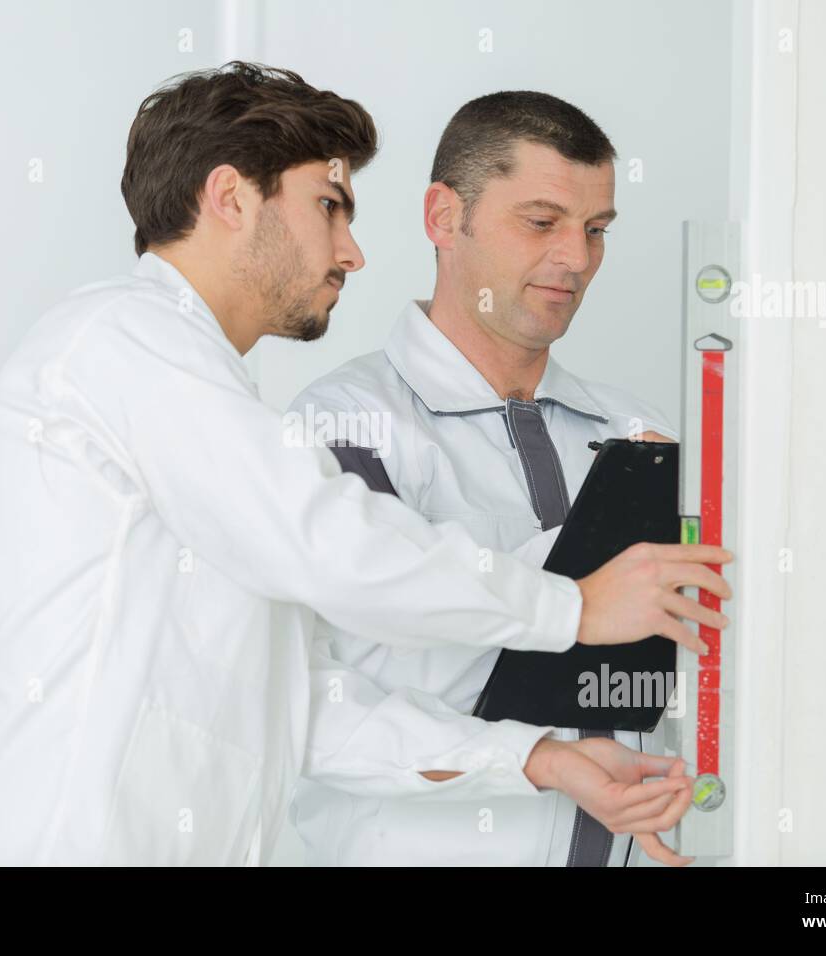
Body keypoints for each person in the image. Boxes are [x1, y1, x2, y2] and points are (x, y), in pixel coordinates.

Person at [0, 63, 730, 866]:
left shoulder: (203, 412)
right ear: (232, 199)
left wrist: (537, 759)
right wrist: (573, 608)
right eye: (329, 207)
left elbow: (303, 709)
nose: (352, 252)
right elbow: (327, 541)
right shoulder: (119, 342)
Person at [289, 91, 716, 867]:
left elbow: (694, 676)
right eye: (542, 222)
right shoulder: (344, 427)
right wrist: (589, 561)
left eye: (596, 230)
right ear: (443, 218)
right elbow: (323, 699)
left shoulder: (637, 435)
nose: (578, 259)